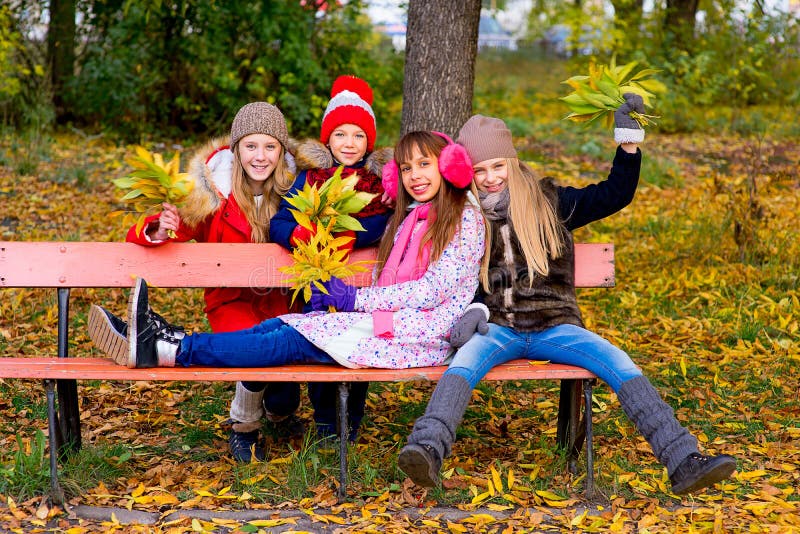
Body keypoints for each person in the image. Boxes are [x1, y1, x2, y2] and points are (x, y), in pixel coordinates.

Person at [397, 102, 737, 496]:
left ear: (512, 160)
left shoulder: (549, 202)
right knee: (465, 361)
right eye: (479, 170)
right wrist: (475, 307)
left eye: (497, 166)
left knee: (616, 359)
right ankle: (426, 450)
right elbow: (458, 275)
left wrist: (628, 145)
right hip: (497, 328)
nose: (490, 178)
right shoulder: (467, 216)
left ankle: (682, 459)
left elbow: (614, 194)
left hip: (555, 326)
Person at [88, 131, 487, 405]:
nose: (414, 176)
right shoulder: (416, 216)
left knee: (284, 341)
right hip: (392, 326)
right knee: (278, 330)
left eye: (424, 165)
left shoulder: (464, 219)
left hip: (420, 334)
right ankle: (161, 339)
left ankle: (167, 348)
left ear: (450, 167)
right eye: (406, 168)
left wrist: (353, 297)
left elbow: (430, 291)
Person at [88, 101, 306, 463]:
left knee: (284, 393)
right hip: (232, 301)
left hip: (283, 302)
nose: (260, 156)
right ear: (236, 150)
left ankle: (279, 409)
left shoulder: (295, 193)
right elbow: (173, 227)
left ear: (282, 151)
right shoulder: (212, 196)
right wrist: (160, 227)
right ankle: (244, 427)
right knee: (251, 354)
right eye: (251, 146)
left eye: (270, 146)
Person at [269, 75, 393, 443]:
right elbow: (279, 224)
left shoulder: (379, 184)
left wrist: (349, 232)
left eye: (358, 135)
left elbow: (388, 225)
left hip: (363, 289)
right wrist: (303, 233)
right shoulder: (311, 178)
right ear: (328, 139)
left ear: (369, 141)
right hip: (319, 282)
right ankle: (325, 424)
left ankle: (351, 424)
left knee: (360, 348)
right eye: (341, 134)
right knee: (322, 347)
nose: (349, 143)